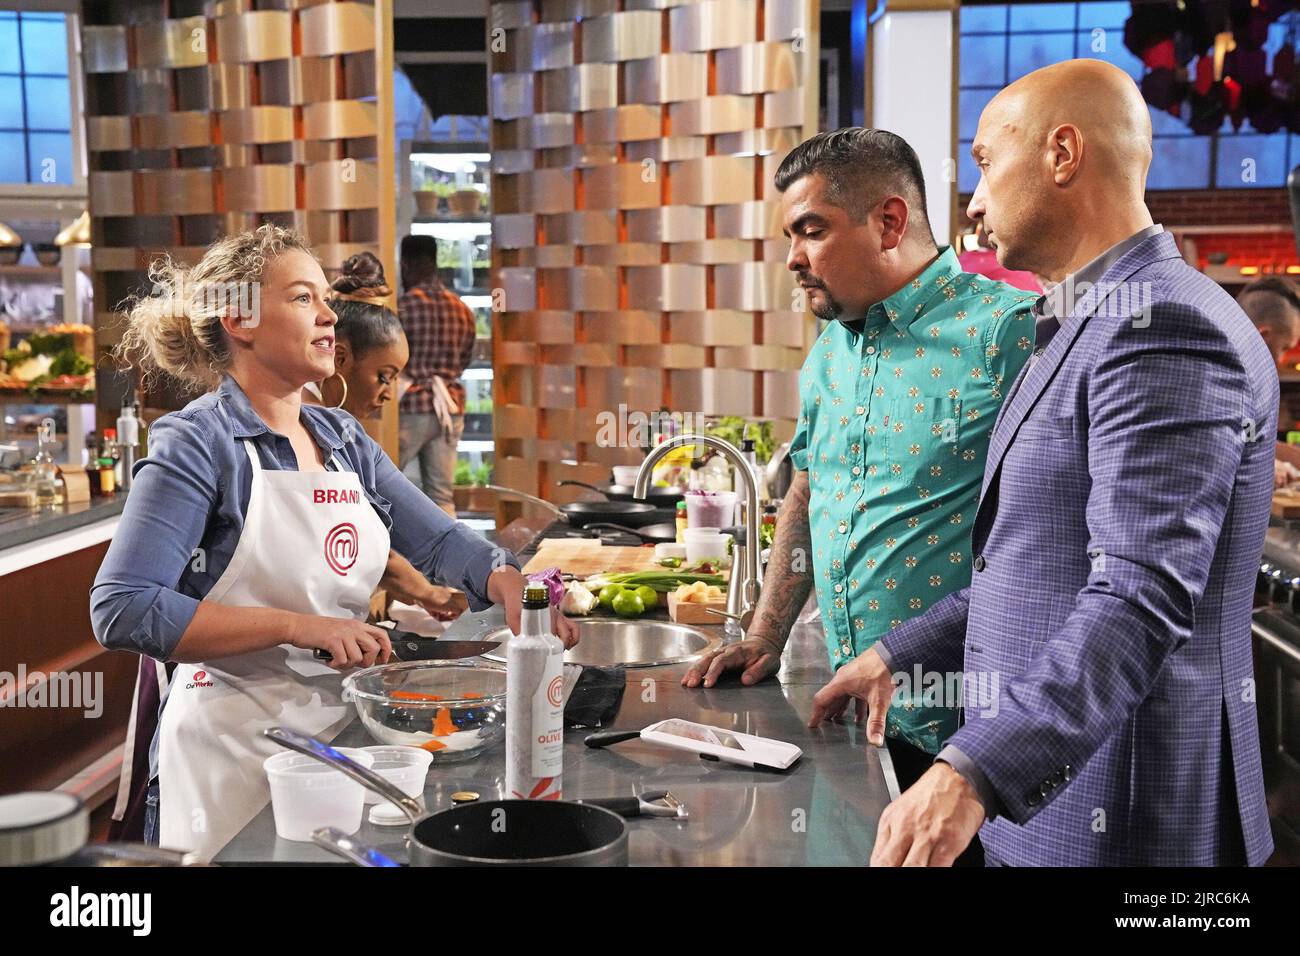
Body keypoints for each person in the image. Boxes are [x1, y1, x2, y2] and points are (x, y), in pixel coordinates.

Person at [808, 59, 1276, 867]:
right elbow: (1034, 559)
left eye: (987, 161)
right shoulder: (1079, 316)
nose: (974, 203)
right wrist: (898, 651)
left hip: (1119, 812)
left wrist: (973, 770)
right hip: (1056, 800)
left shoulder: (1159, 325)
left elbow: (1138, 597)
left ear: (1063, 154)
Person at [91, 225, 577, 861]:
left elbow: (438, 541)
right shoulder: (199, 442)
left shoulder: (340, 436)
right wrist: (300, 625)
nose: (328, 316)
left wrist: (510, 581)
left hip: (335, 735)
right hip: (231, 747)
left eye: (325, 297)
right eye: (301, 299)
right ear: (239, 319)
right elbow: (122, 607)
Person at [679, 129, 1037, 867]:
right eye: (789, 234)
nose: (793, 257)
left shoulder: (1008, 333)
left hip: (973, 750)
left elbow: (1040, 550)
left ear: (891, 222)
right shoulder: (831, 349)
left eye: (812, 230)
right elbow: (809, 489)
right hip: (856, 722)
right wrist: (764, 634)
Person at [302, 251, 468, 622]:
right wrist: (429, 591)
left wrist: (435, 589)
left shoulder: (343, 432)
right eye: (384, 376)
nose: (389, 393)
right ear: (340, 359)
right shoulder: (299, 426)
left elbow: (426, 534)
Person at [396, 234, 477, 516]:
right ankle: (444, 559)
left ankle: (388, 556)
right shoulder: (463, 310)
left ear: (406, 265)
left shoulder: (403, 308)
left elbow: (392, 361)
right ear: (435, 263)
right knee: (441, 496)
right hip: (450, 409)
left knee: (382, 485)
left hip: (410, 407)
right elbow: (465, 360)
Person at [1234, 276, 1300, 485]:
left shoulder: (1247, 382)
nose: (1282, 360)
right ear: (1263, 337)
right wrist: (1261, 467)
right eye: (1284, 348)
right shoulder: (1213, 377)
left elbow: (1248, 438)